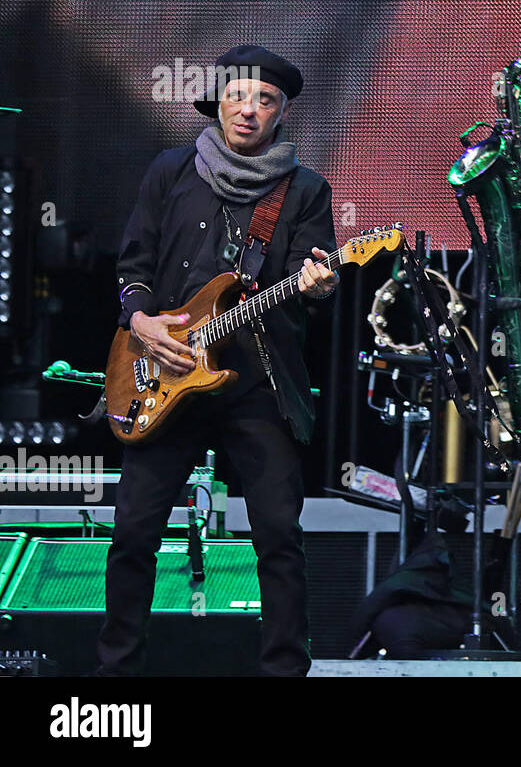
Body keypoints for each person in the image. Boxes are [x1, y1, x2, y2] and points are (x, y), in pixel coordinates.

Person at [97, 45, 338, 676]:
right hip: (165, 373)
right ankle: (116, 676)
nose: (249, 110)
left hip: (256, 382)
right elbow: (132, 268)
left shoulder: (305, 191)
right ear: (218, 103)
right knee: (132, 536)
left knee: (279, 538)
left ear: (282, 113)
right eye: (238, 96)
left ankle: (285, 669)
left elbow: (310, 286)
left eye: (265, 100)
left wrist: (319, 285)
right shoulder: (170, 171)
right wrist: (142, 322)